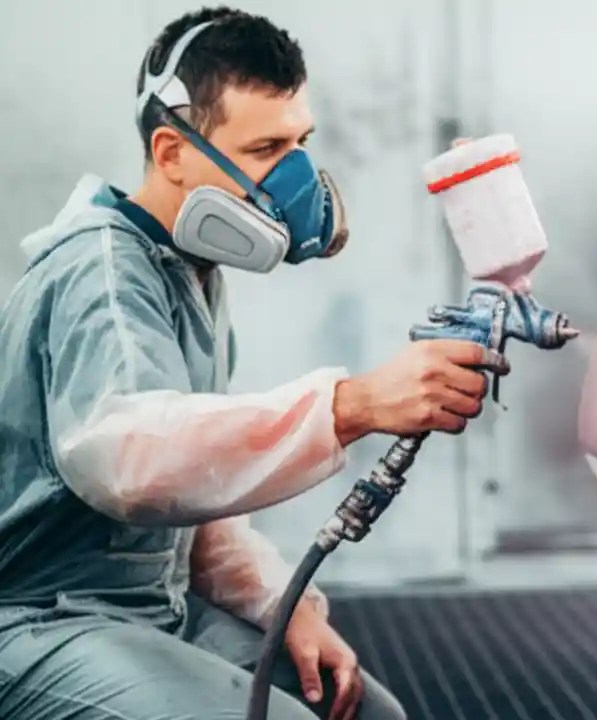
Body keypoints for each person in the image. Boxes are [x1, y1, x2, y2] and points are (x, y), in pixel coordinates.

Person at [0, 6, 493, 719]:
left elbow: (195, 502)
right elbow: (130, 463)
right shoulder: (102, 269)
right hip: (41, 620)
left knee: (368, 715)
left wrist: (281, 605)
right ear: (171, 154)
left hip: (157, 608)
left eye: (302, 143)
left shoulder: (191, 271)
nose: (295, 179)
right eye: (265, 149)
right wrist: (350, 406)